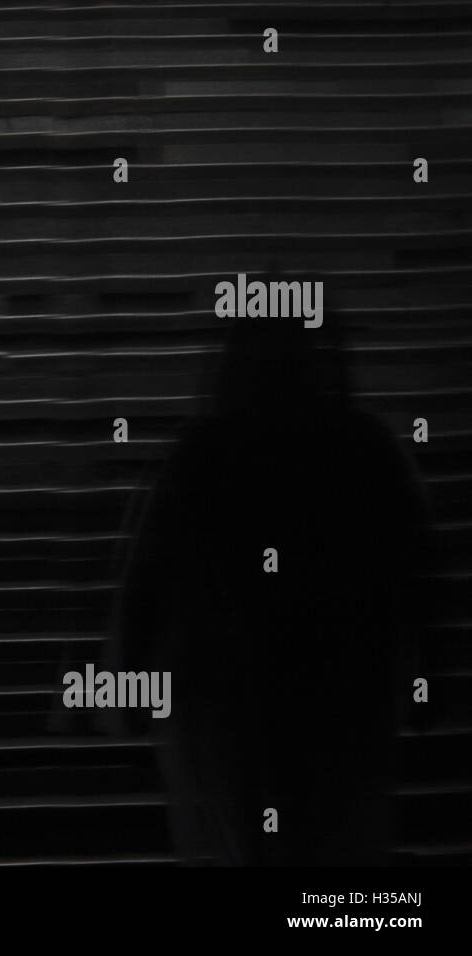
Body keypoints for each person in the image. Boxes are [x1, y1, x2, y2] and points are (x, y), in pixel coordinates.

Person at [112, 316, 430, 864]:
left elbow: (148, 583)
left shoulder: (202, 455)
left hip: (232, 714)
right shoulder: (362, 450)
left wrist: (131, 690)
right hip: (334, 711)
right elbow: (415, 582)